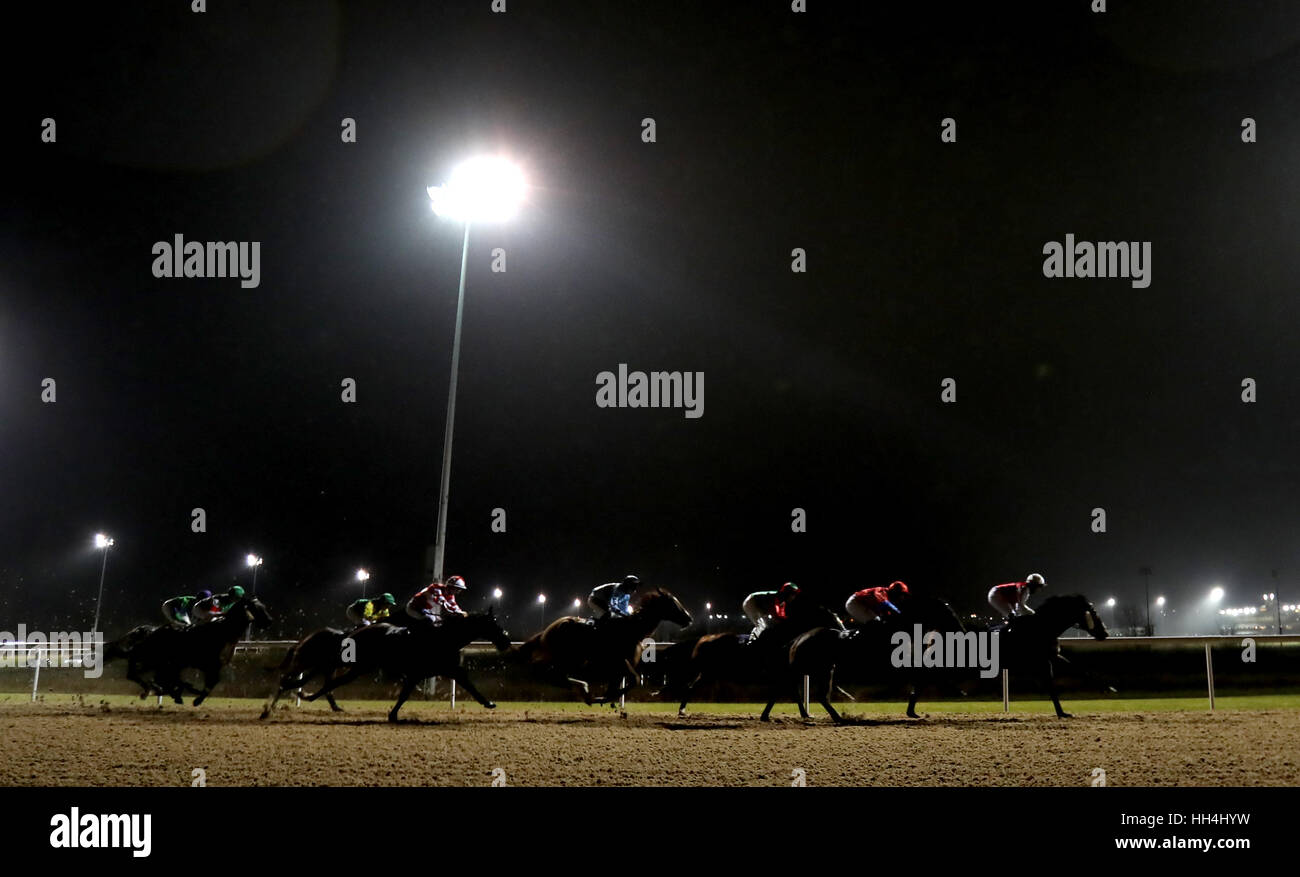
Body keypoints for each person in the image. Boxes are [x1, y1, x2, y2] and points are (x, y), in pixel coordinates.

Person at [844, 580, 909, 625]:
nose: (902, 597)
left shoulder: (888, 598)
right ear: (895, 591)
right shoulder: (882, 591)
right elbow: (885, 603)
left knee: (878, 621)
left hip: (863, 606)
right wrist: (898, 612)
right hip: (855, 603)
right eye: (901, 594)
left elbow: (886, 611)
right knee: (874, 623)